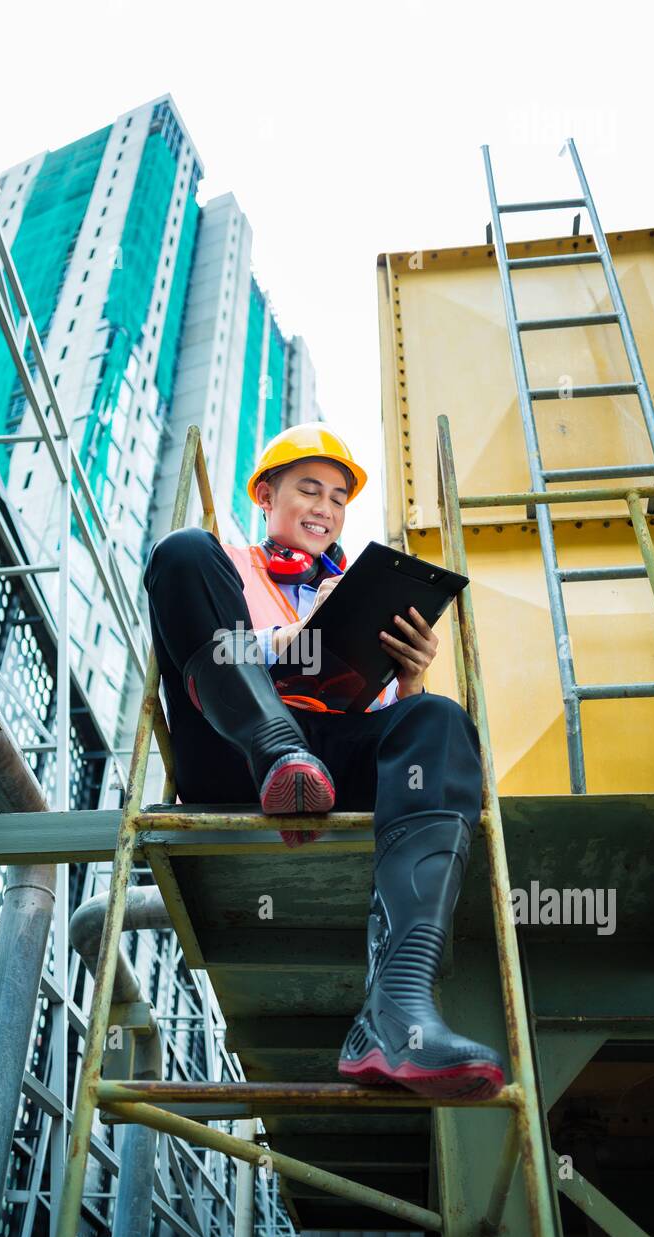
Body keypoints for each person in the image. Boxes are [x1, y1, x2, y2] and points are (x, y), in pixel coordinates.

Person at [143, 422, 504, 1100]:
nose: (325, 509)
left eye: (339, 498)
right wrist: (298, 639)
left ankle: (397, 1011)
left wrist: (411, 677)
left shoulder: (359, 587)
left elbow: (386, 723)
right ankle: (277, 753)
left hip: (328, 760)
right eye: (308, 489)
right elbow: (203, 641)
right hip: (233, 748)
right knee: (180, 549)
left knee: (440, 719)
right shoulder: (227, 565)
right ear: (265, 495)